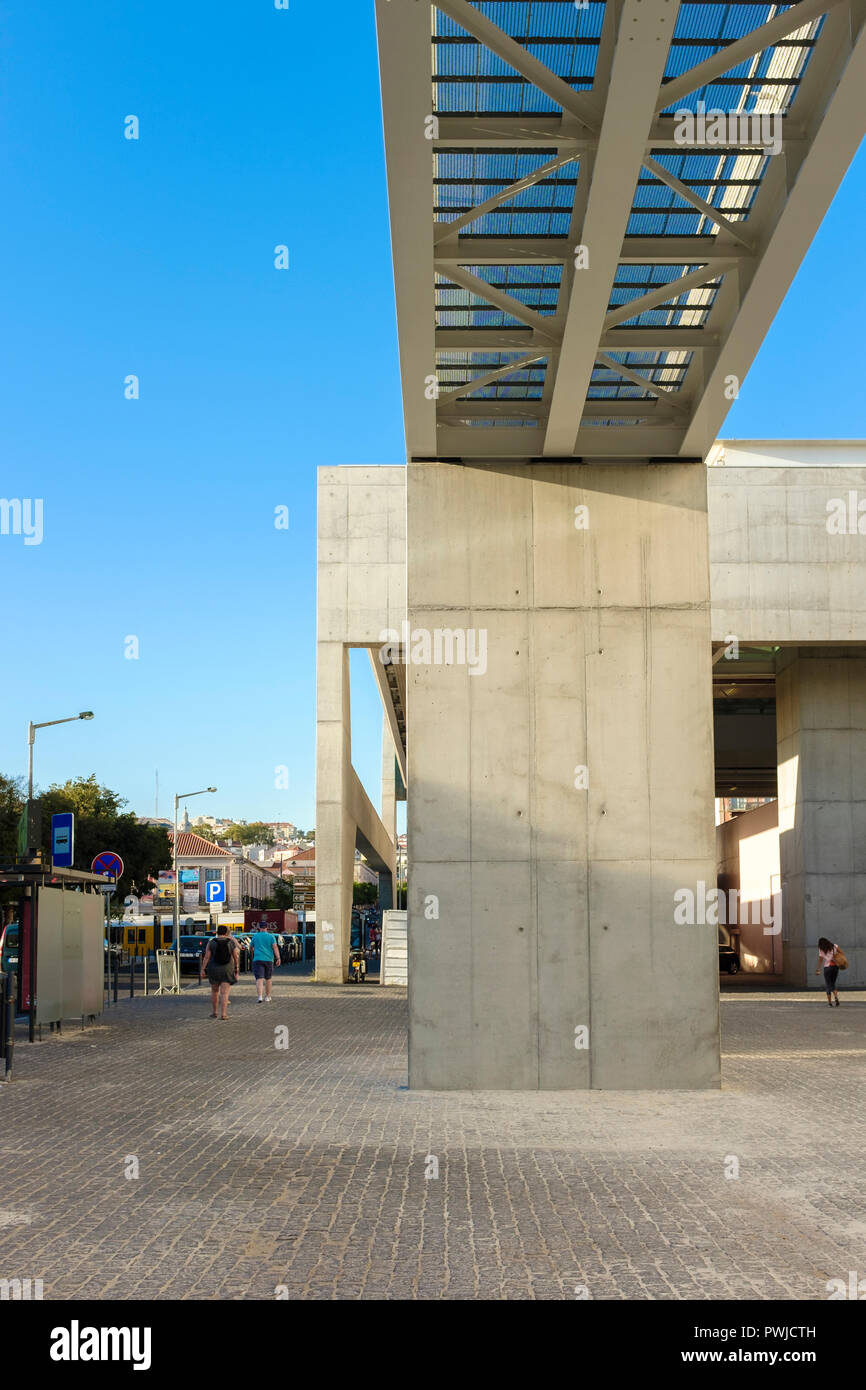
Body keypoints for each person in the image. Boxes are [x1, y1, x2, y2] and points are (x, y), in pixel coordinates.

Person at [201, 923, 240, 1019]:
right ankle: (223, 1014)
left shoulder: (212, 942)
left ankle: (214, 1013)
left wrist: (202, 969)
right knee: (224, 993)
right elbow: (235, 957)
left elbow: (206, 957)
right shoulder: (231, 942)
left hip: (214, 969)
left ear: (217, 932)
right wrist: (236, 970)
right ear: (226, 933)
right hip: (227, 969)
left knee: (214, 991)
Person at [251, 921, 281, 1003]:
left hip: (257, 959)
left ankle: (260, 997)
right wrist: (278, 958)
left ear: (259, 927)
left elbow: (251, 947)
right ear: (266, 927)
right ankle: (267, 997)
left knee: (259, 979)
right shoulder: (271, 937)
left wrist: (255, 952)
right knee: (268, 979)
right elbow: (275, 947)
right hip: (268, 960)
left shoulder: (255, 936)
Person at [816, 937, 842, 1007]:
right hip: (835, 967)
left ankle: (830, 1003)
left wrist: (818, 969)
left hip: (827, 967)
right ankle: (836, 997)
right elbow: (841, 953)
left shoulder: (821, 949)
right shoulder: (834, 946)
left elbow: (820, 959)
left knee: (828, 985)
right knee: (833, 984)